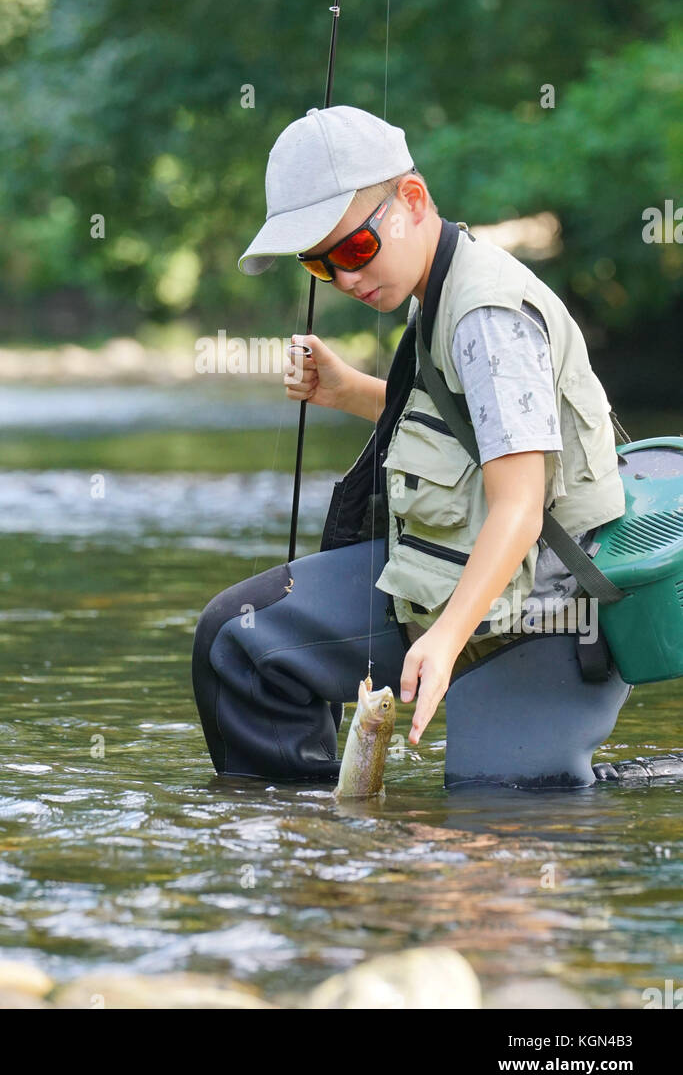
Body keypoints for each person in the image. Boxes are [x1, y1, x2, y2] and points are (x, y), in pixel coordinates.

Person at [235, 105, 626, 754]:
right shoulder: (437, 289)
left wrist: (444, 639)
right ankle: (304, 845)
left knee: (495, 829)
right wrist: (347, 391)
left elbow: (520, 504)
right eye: (319, 265)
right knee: (240, 641)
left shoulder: (484, 313)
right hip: (447, 585)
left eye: (355, 248)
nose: (346, 277)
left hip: (541, 616)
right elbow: (475, 428)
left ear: (411, 199)